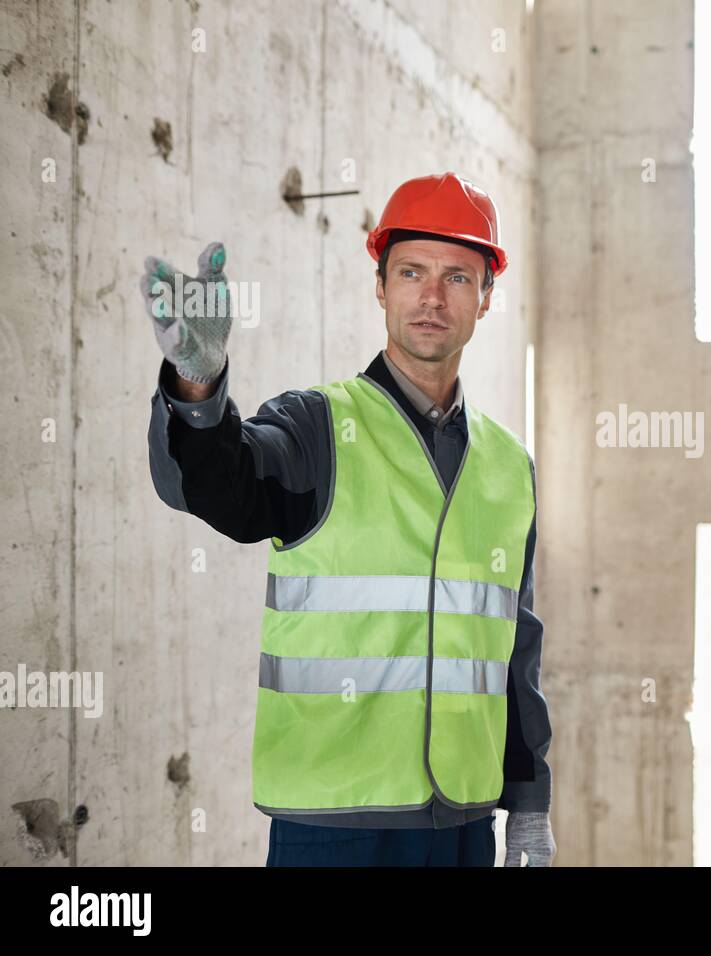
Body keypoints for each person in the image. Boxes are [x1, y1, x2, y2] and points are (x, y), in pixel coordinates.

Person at [143, 172, 554, 867]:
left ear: (486, 298)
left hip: (463, 821)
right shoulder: (318, 426)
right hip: (333, 823)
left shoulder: (509, 465)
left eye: (457, 278)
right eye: (411, 272)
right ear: (381, 286)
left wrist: (529, 801)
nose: (430, 296)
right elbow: (222, 488)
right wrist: (198, 390)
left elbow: (515, 648)